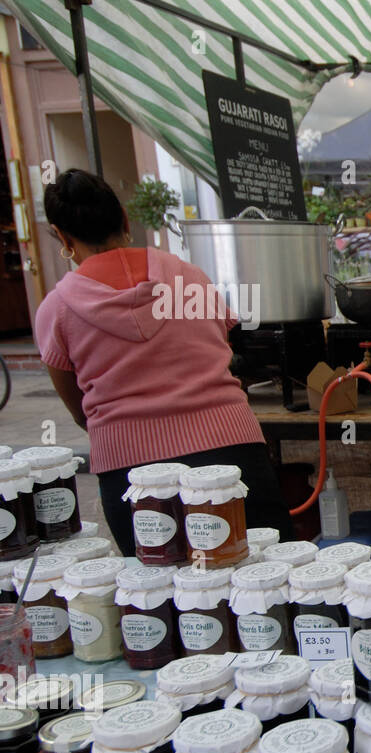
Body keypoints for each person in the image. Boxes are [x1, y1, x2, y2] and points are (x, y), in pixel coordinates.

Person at [33, 170, 293, 555]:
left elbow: (78, 408)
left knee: (163, 599)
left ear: (61, 235)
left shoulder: (57, 309)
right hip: (229, 450)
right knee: (265, 587)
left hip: (130, 470)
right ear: (124, 218)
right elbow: (219, 349)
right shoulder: (190, 278)